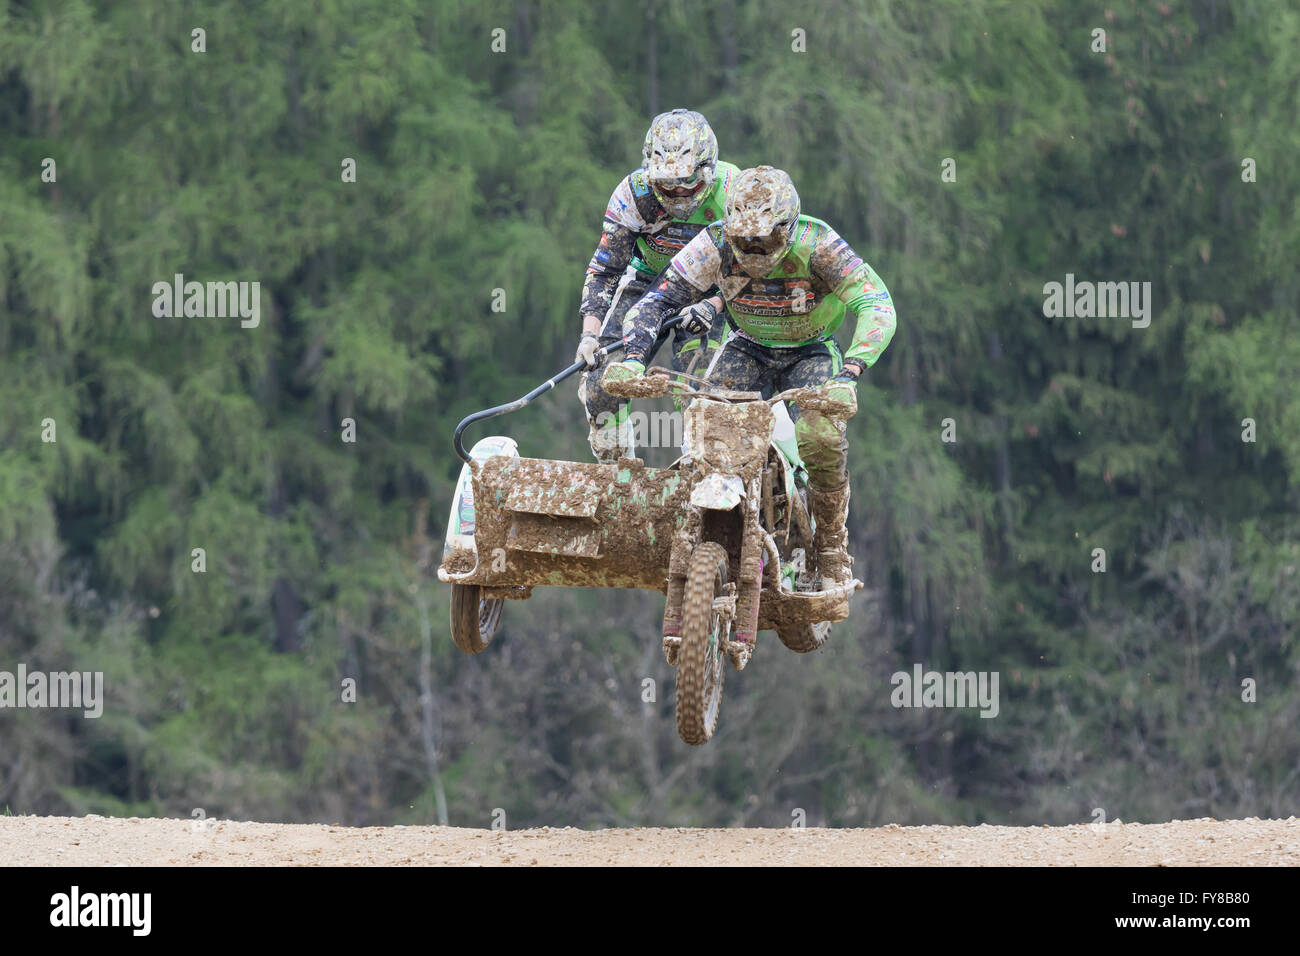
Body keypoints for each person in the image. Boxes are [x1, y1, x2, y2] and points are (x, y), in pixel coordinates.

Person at [604, 166, 897, 585]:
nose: (754, 253)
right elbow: (657, 300)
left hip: (810, 350)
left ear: (789, 228)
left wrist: (850, 372)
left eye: (767, 240)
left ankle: (832, 543)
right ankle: (712, 527)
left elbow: (876, 304)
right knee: (703, 428)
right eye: (744, 241)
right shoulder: (714, 243)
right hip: (749, 345)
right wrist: (634, 358)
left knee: (820, 434)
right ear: (729, 227)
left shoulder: (820, 245)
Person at [574, 109, 739, 462]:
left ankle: (700, 466)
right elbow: (605, 269)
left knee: (701, 387)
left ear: (707, 170)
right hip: (646, 282)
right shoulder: (633, 195)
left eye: (688, 184)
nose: (679, 195)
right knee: (601, 383)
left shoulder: (733, 193)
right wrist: (589, 335)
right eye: (667, 185)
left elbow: (752, 269)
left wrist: (717, 304)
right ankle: (615, 466)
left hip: (712, 291)